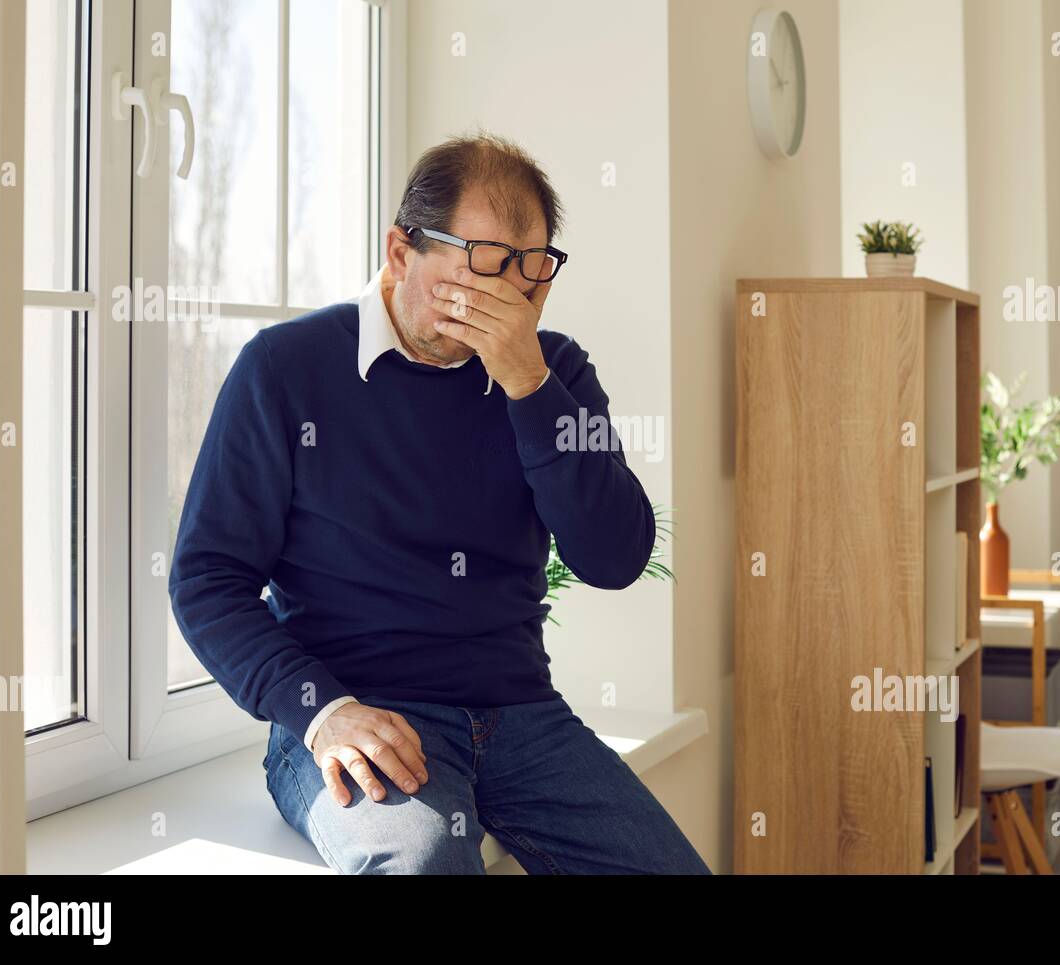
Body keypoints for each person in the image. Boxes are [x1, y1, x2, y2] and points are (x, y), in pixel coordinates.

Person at [168, 132, 709, 875]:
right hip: (360, 712)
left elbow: (614, 557)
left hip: (522, 715)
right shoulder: (286, 368)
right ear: (400, 252)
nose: (506, 303)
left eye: (530, 277)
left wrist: (529, 385)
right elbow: (206, 578)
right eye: (481, 270)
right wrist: (324, 715)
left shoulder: (556, 373)